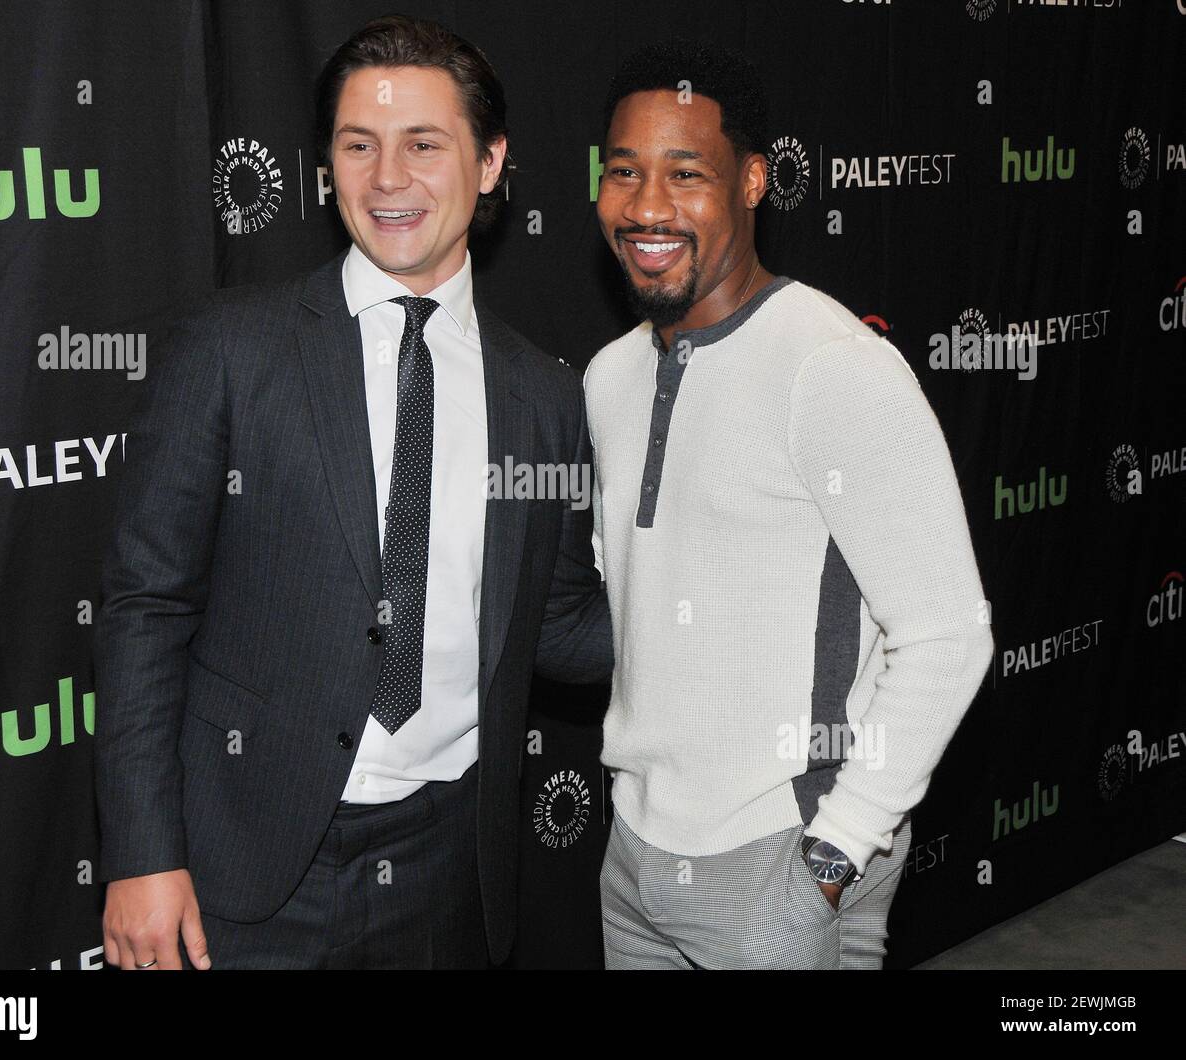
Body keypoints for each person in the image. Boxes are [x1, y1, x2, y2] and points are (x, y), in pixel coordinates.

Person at [93, 14, 611, 970]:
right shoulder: (231, 350)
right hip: (245, 865)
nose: (387, 179)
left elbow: (559, 624)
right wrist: (141, 855)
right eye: (358, 145)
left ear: (491, 163)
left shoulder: (544, 396)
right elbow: (144, 607)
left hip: (453, 861)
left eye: (423, 144)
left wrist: (713, 602)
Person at [586, 40, 993, 969]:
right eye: (624, 173)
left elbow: (946, 632)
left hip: (779, 857)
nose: (648, 206)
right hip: (634, 857)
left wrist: (838, 844)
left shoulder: (832, 366)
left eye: (686, 173)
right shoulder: (609, 379)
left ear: (754, 180)